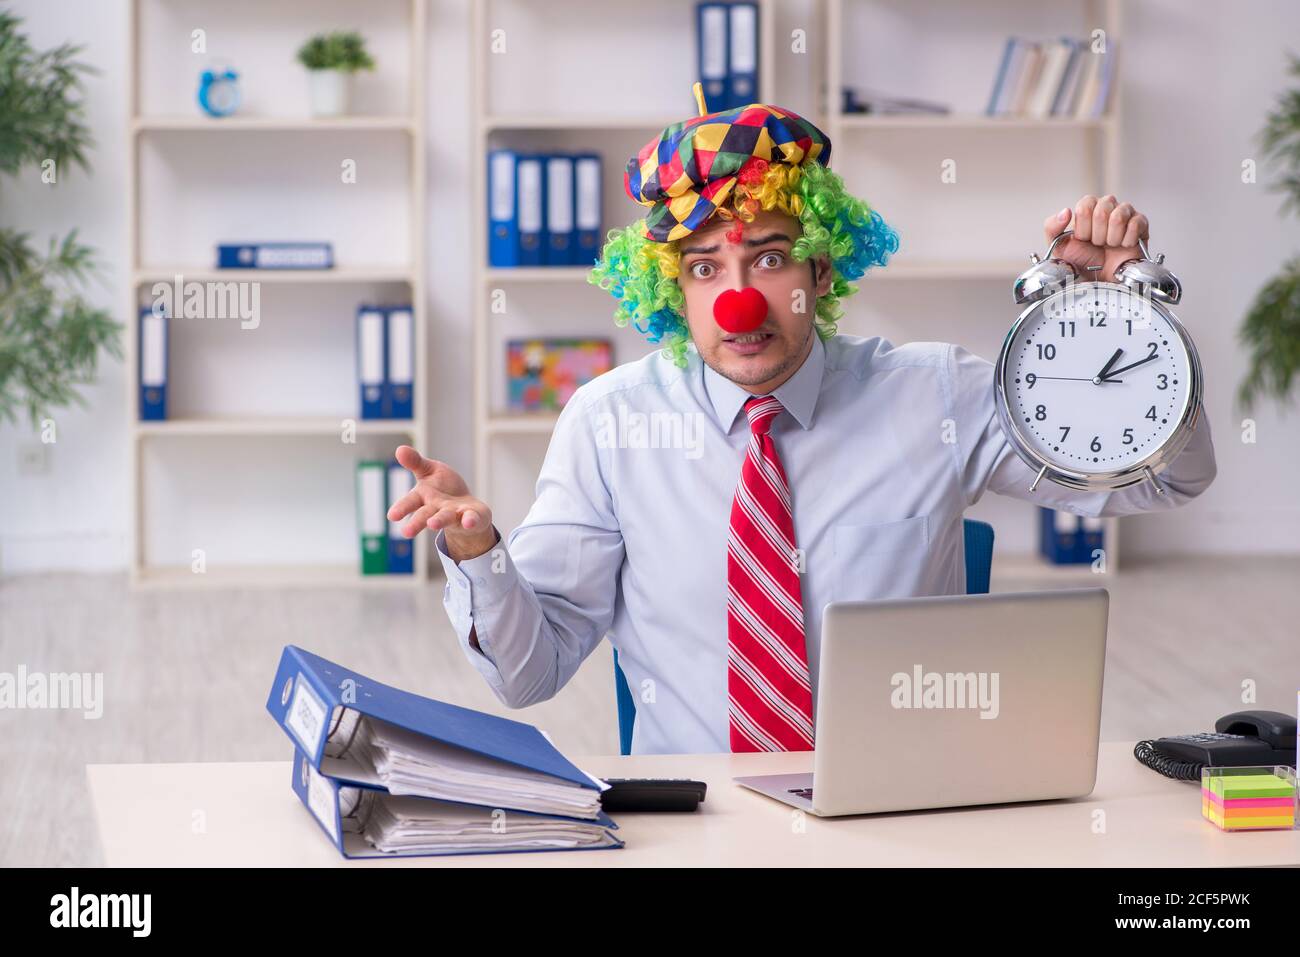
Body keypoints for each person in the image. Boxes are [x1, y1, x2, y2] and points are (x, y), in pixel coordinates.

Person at [388, 88, 1216, 754]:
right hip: (705, 827)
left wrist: (1117, 311)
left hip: (904, 810)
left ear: (821, 269)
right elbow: (529, 675)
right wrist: (477, 553)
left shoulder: (936, 394)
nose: (738, 299)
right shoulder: (609, 423)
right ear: (672, 290)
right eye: (705, 267)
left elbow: (1170, 480)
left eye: (770, 259)